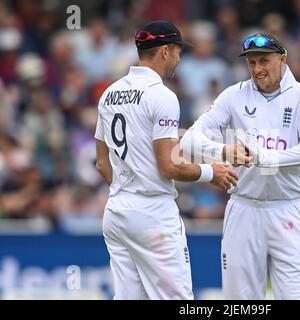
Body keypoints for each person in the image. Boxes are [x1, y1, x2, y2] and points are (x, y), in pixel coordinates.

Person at [94, 21, 238, 300]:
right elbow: (169, 166)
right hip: (152, 213)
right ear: (163, 51)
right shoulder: (162, 96)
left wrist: (129, 189)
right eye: (177, 52)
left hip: (116, 210)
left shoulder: (108, 94)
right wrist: (212, 172)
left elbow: (102, 163)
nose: (178, 58)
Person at [181, 33, 300, 299]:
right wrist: (223, 150)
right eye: (251, 63)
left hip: (288, 208)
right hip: (244, 208)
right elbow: (189, 140)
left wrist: (268, 158)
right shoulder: (233, 96)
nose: (257, 69)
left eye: (264, 61)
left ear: (282, 59)